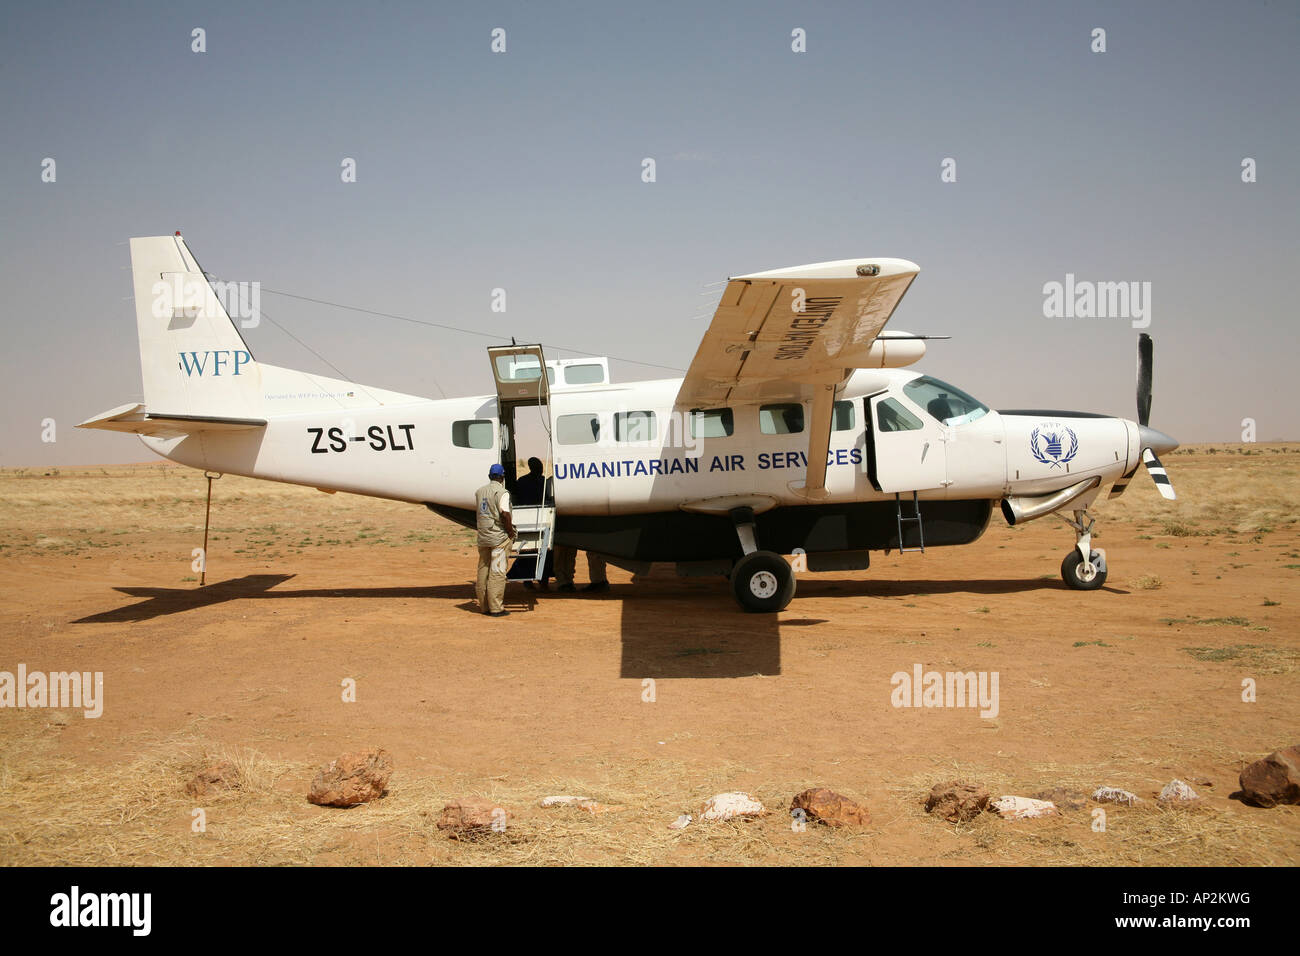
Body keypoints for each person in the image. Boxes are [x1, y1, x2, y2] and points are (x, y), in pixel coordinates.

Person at [474, 463, 516, 617]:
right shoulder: (502, 492)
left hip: (483, 537)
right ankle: (496, 608)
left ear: (489, 476)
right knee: (497, 572)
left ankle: (484, 606)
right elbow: (505, 514)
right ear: (502, 477)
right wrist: (510, 532)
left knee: (482, 570)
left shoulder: (479, 492)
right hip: (498, 538)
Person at [512, 457, 551, 591]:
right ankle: (543, 582)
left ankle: (528, 581)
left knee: (527, 552)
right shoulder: (543, 481)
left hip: (525, 521)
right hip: (541, 520)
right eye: (539, 467)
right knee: (544, 552)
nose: (541, 469)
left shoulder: (522, 481)